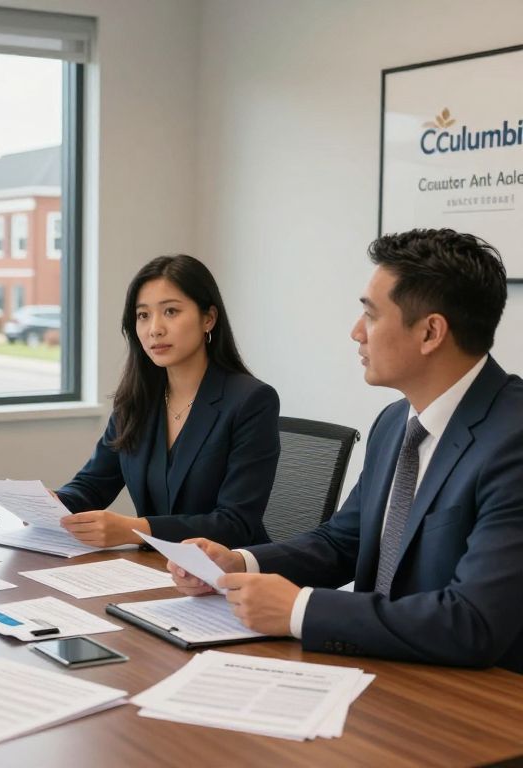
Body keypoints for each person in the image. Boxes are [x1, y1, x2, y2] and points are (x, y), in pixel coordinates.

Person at [171, 229, 523, 673]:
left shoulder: (513, 440)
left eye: (371, 316)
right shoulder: (395, 422)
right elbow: (343, 541)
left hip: (478, 703)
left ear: (431, 332)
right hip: (383, 671)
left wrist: (301, 610)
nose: (356, 332)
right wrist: (238, 563)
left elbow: (473, 622)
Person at [55, 254, 281, 548]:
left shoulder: (251, 401)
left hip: (227, 573)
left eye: (171, 312)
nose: (154, 329)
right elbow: (92, 486)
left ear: (208, 318)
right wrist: (51, 503)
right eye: (143, 315)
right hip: (154, 567)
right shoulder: (137, 400)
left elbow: (235, 523)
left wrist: (134, 529)